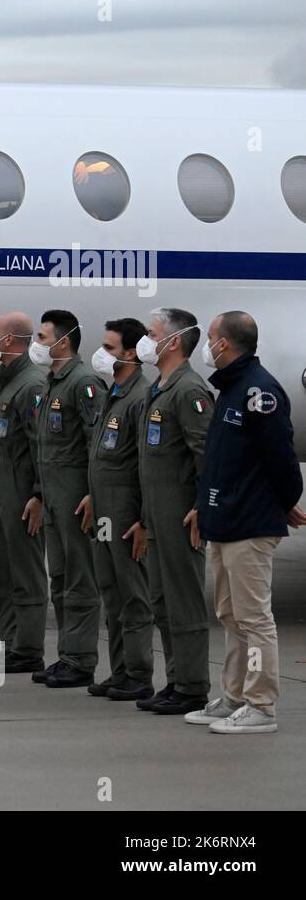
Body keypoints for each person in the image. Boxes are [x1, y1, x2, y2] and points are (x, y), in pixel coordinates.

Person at [185, 312, 304, 733]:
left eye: (212, 338)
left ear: (226, 344)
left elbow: (282, 461)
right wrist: (204, 506)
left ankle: (261, 705)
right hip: (226, 519)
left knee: (253, 618)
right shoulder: (232, 389)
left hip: (250, 524)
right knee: (231, 614)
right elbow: (221, 462)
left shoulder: (259, 392)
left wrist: (282, 502)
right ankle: (234, 697)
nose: (208, 344)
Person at [131, 307, 212, 715]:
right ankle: (176, 680)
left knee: (184, 601)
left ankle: (194, 685)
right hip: (158, 516)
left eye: (151, 332)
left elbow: (206, 458)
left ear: (173, 341)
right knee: (162, 601)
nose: (145, 340)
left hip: (182, 516)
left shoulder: (189, 390)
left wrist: (202, 508)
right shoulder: (158, 388)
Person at [29, 310, 105, 688]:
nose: (37, 345)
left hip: (76, 502)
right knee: (59, 580)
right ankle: (66, 655)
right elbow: (48, 448)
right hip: (54, 502)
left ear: (63, 342)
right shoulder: (51, 384)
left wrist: (94, 493)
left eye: (42, 338)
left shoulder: (84, 382)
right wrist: (39, 495)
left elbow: (96, 444)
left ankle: (81, 660)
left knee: (80, 581)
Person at [85, 318, 155, 701]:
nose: (102, 354)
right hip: (105, 512)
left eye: (110, 348)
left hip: (127, 514)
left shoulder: (140, 397)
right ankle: (120, 670)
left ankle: (140, 672)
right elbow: (105, 457)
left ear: (131, 353)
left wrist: (143, 519)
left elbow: (144, 463)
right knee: (111, 592)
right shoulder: (114, 393)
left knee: (133, 595)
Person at [0, 312, 49, 674]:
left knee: (26, 573)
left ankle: (28, 647)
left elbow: (41, 446)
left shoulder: (31, 385)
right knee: (3, 573)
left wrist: (39, 495)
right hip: (0, 493)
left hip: (23, 497)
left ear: (9, 341)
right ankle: (11, 643)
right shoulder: (3, 380)